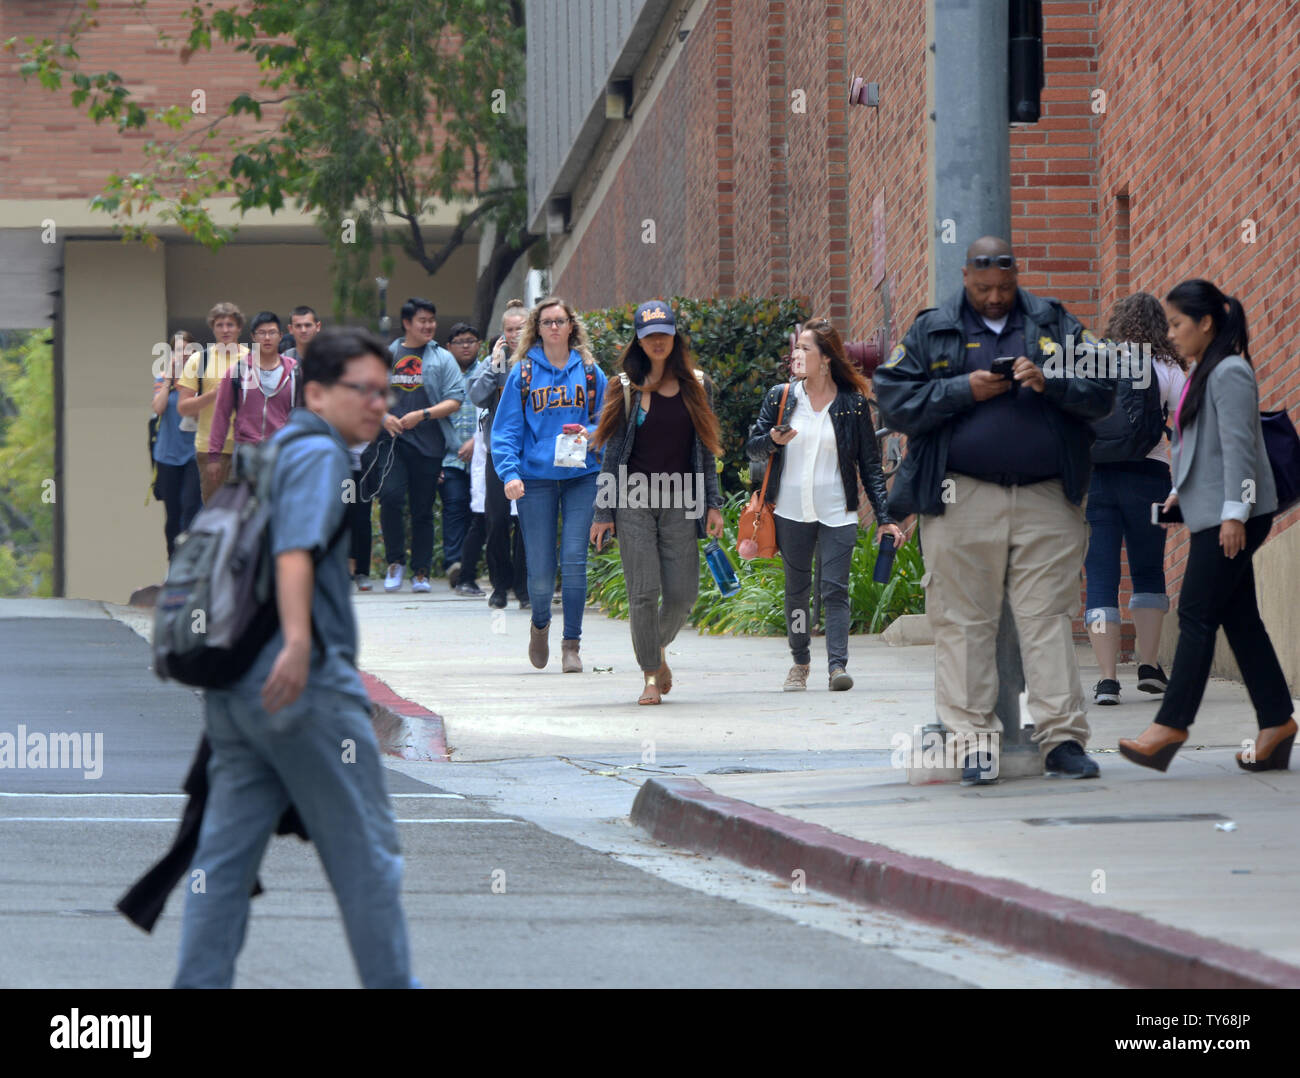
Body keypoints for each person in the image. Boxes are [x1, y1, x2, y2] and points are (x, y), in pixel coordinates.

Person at [174, 327, 417, 988]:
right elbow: (293, 549)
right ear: (314, 392)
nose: (376, 402)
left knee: (223, 861)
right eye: (361, 389)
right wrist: (300, 644)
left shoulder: (276, 450)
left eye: (384, 390)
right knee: (368, 855)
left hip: (236, 693)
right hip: (301, 687)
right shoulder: (319, 455)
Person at [873, 236, 1115, 784]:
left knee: (1047, 619)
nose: (995, 297)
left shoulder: (1055, 323)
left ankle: (1062, 742)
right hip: (960, 495)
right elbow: (892, 397)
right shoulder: (931, 328)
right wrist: (962, 390)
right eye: (983, 289)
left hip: (1046, 495)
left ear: (1016, 277)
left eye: (1004, 288)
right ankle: (973, 742)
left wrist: (1049, 382)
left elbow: (1103, 390)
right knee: (962, 621)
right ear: (966, 277)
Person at [1118, 280, 1297, 773]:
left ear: (1206, 323)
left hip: (1233, 516)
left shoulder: (1231, 372)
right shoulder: (1201, 372)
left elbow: (1241, 447)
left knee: (1196, 615)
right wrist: (1182, 491)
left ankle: (1170, 725)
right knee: (1241, 622)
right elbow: (1202, 447)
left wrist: (1235, 515)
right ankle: (1278, 723)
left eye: (1177, 324)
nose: (1171, 333)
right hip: (1211, 512)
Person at [747, 318, 904, 693]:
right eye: (796, 348)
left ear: (826, 358)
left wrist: (884, 517)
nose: (797, 354)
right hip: (789, 510)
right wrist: (771, 439)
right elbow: (752, 447)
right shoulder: (781, 397)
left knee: (835, 588)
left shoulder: (852, 405)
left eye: (805, 349)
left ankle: (837, 667)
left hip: (838, 511)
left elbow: (869, 465)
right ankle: (800, 662)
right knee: (797, 591)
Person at [590, 301, 726, 704]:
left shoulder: (697, 385)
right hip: (632, 500)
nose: (658, 341)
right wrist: (603, 511)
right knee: (644, 592)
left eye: (664, 333)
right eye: (650, 335)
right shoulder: (625, 387)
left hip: (681, 498)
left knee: (684, 594)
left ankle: (656, 646)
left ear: (674, 335)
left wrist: (712, 504)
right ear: (639, 340)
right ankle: (651, 673)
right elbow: (612, 454)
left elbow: (704, 450)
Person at [491, 296, 607, 672]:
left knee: (574, 561)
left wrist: (589, 433)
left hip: (582, 477)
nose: (554, 327)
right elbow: (505, 430)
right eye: (547, 322)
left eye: (560, 321)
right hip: (536, 479)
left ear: (571, 326)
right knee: (540, 571)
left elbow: (609, 421)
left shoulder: (590, 372)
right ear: (536, 329)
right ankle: (540, 624)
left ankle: (571, 644)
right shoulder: (523, 373)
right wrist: (509, 473)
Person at [1083, 293, 1187, 705]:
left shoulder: (1094, 360)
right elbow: (1186, 428)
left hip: (1097, 481)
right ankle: (1148, 666)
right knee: (1147, 570)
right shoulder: (1167, 367)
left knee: (1101, 575)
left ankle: (1107, 681)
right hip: (1149, 478)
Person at [376, 298, 465, 593]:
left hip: (429, 443)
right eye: (422, 321)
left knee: (423, 509)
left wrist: (423, 414)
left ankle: (422, 571)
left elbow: (455, 400)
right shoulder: (387, 355)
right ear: (407, 323)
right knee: (390, 497)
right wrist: (385, 416)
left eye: (431, 320)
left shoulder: (443, 358)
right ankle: (395, 562)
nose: (428, 326)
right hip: (392, 441)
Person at [469, 300, 530, 608]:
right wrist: (494, 366)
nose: (515, 335)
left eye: (520, 328)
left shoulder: (540, 360)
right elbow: (477, 397)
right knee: (497, 521)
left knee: (529, 522)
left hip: (532, 451)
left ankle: (524, 587)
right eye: (509, 330)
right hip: (499, 450)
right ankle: (500, 586)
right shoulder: (496, 359)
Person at [206, 312, 298, 483]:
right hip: (246, 451)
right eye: (261, 333)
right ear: (253, 337)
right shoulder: (237, 371)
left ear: (281, 336)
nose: (267, 338)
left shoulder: (295, 372)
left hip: (282, 451)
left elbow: (303, 415)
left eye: (272, 332)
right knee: (246, 505)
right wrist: (214, 455)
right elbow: (221, 414)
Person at [177, 302, 248, 502]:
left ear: (239, 328)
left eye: (230, 325)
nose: (225, 330)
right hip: (210, 449)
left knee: (248, 512)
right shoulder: (199, 360)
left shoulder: (253, 359)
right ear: (213, 328)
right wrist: (213, 394)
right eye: (220, 325)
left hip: (247, 446)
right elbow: (183, 407)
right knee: (215, 511)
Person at [151, 331, 201, 559]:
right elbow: (158, 408)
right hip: (167, 453)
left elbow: (204, 414)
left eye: (188, 350)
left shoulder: (201, 379)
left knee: (191, 507)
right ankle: (173, 560)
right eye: (179, 350)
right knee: (173, 513)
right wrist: (170, 381)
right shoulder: (163, 378)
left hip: (193, 452)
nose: (184, 355)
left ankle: (189, 559)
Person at [440, 321, 482, 588]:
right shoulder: (443, 374)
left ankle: (472, 565)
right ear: (449, 347)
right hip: (449, 457)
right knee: (454, 508)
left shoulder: (489, 371)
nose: (466, 346)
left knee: (479, 514)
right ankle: (455, 564)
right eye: (459, 342)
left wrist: (476, 442)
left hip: (483, 455)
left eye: (471, 341)